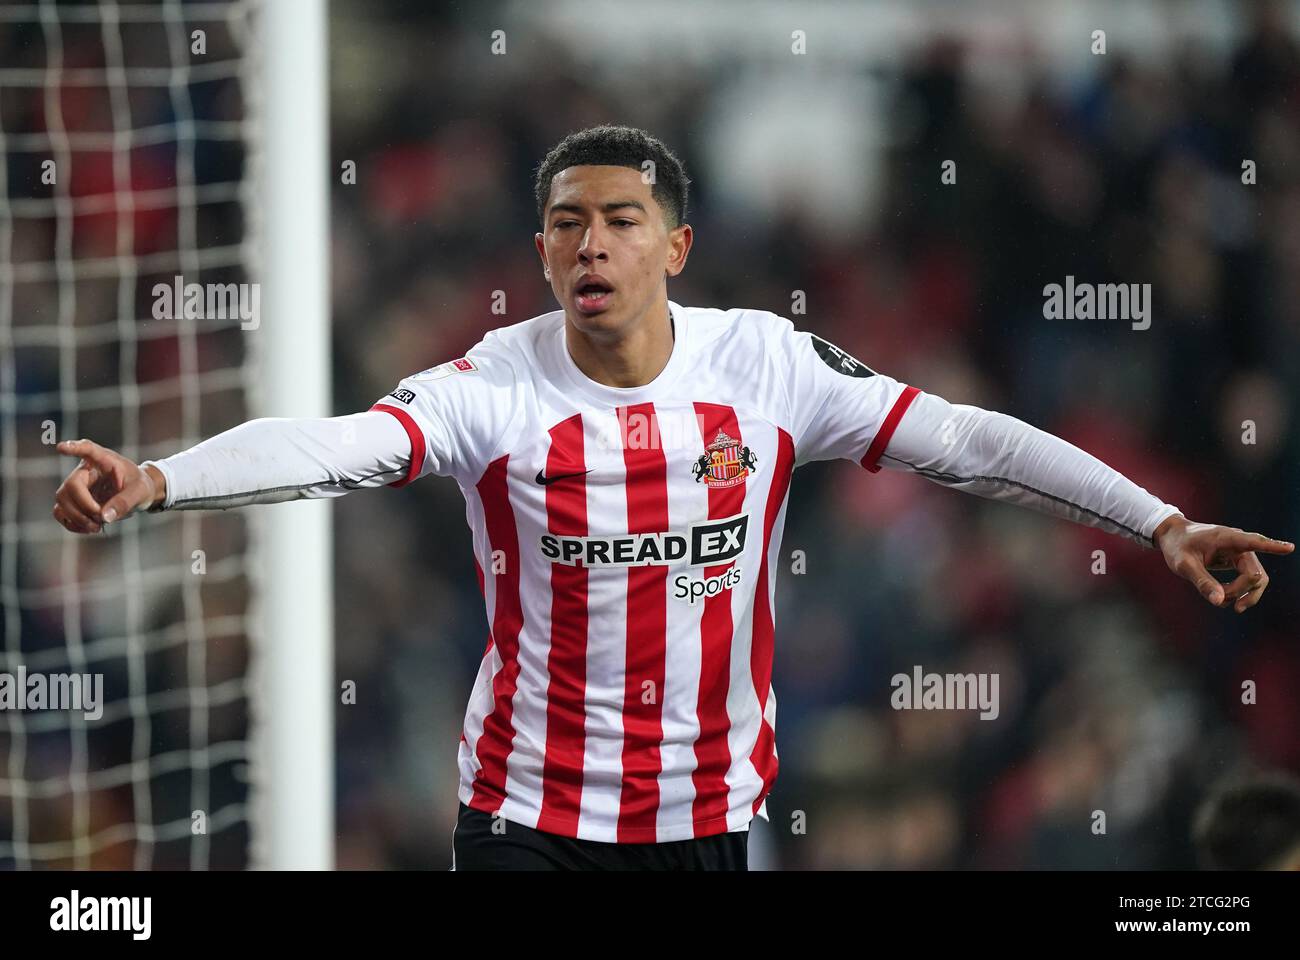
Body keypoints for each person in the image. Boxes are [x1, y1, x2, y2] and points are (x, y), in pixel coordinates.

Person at [52, 124, 1294, 871]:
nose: (589, 244)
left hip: (704, 823)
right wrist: (161, 480)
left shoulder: (767, 367)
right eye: (565, 225)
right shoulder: (491, 387)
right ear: (541, 251)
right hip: (525, 818)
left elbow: (966, 439)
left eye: (619, 220)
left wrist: (1158, 522)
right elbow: (337, 447)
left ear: (676, 247)